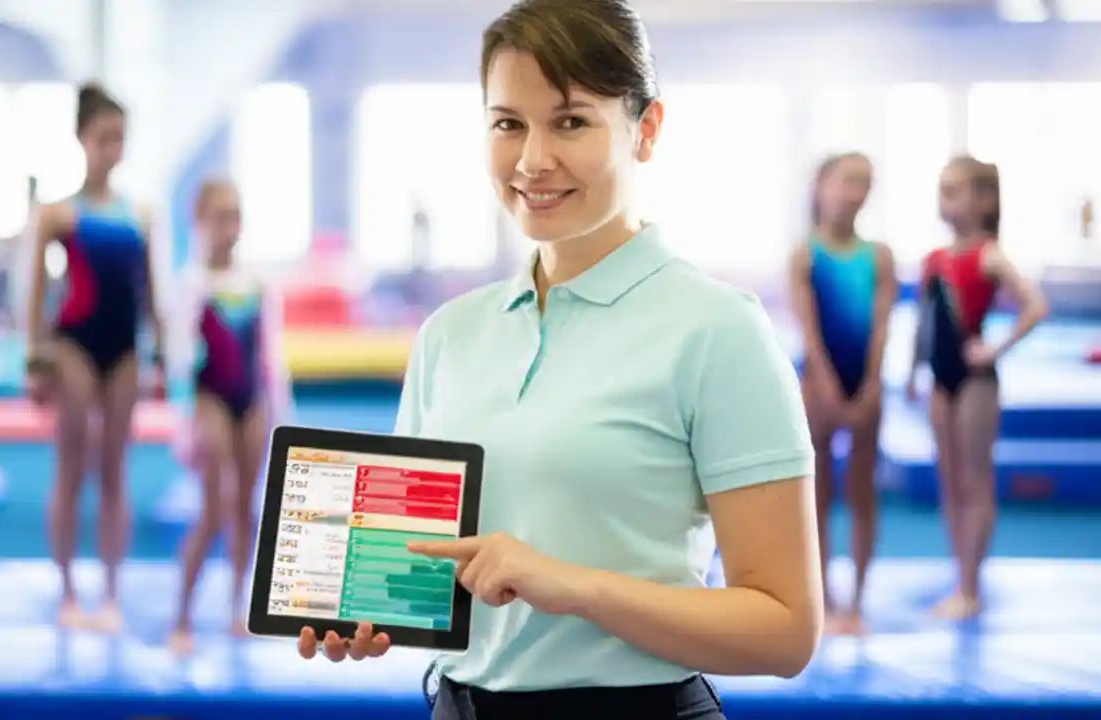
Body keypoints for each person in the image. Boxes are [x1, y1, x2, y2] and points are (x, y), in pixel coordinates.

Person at [297, 1, 823, 718]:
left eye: (571, 120)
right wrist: (362, 608)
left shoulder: (718, 330)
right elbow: (421, 570)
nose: (533, 159)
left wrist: (571, 585)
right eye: (508, 122)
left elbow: (787, 631)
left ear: (646, 130)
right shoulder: (449, 335)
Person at [25, 83, 165, 632]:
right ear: (82, 139)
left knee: (114, 471)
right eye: (103, 138)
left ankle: (109, 593)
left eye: (120, 139)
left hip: (125, 349)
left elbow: (149, 292)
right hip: (74, 345)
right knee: (71, 467)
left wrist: (159, 355)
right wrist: (35, 360)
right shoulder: (59, 214)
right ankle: (65, 592)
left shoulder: (140, 214)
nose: (112, 149)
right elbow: (36, 295)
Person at [906, 155, 1048, 620]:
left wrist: (995, 349)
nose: (944, 201)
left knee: (974, 481)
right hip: (939, 380)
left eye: (954, 191)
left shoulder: (988, 253)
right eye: (941, 191)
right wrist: (912, 371)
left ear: (984, 200)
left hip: (975, 382)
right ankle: (958, 579)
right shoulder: (933, 259)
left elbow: (1035, 306)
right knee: (949, 483)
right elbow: (924, 322)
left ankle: (971, 587)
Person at [167, 179, 292, 654]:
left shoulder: (257, 283)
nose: (230, 227)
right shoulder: (192, 283)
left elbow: (270, 356)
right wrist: (187, 421)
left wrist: (280, 410)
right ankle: (181, 614)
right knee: (214, 509)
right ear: (199, 222)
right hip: (210, 398)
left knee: (246, 509)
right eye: (219, 216)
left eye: (235, 216)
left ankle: (238, 607)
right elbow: (180, 360)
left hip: (253, 399)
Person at [788, 152, 895, 636]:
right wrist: (828, 386)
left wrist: (872, 382)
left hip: (866, 381)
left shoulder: (879, 255)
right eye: (847, 181)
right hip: (819, 383)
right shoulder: (805, 254)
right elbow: (809, 332)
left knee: (862, 489)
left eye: (865, 183)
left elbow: (881, 327)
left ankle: (858, 600)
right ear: (820, 185)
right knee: (818, 492)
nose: (855, 192)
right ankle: (824, 598)